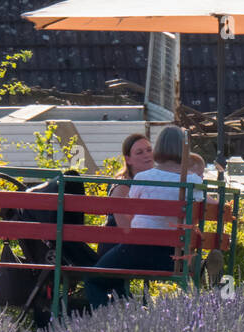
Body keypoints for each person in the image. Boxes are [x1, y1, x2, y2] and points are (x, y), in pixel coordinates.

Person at [84, 125, 205, 310]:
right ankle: (200, 265)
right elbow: (204, 209)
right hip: (174, 257)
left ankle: (112, 322)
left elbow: (130, 212)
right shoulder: (194, 181)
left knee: (93, 280)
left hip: (137, 252)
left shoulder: (144, 178)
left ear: (159, 148)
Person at [100, 133, 155, 250]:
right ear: (128, 159)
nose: (147, 155)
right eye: (140, 152)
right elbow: (126, 229)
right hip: (118, 249)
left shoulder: (154, 182)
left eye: (149, 150)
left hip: (141, 246)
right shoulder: (122, 187)